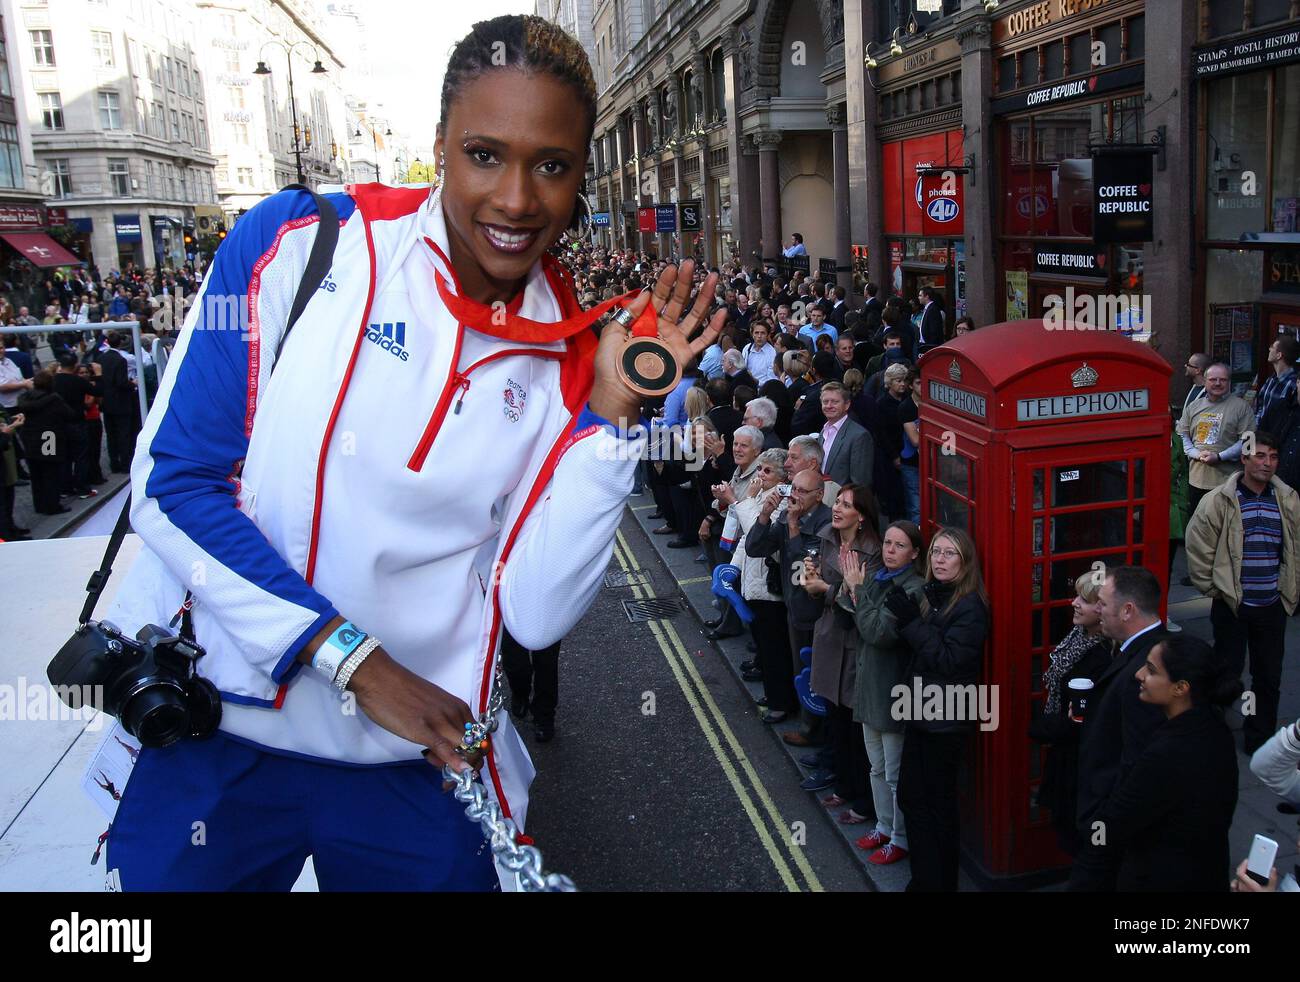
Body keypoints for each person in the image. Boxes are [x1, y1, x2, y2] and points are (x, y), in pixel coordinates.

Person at [102, 14, 723, 892]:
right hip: (219, 736)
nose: (515, 198)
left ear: (584, 172)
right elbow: (175, 486)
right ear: (437, 145)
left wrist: (614, 416)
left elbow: (536, 614)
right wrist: (352, 658)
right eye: (483, 153)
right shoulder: (298, 244)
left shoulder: (575, 358)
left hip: (418, 761)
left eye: (551, 164)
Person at [1091, 635, 1240, 892]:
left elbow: (1115, 822)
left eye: (1150, 670)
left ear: (1180, 688)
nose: (1139, 674)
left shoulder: (1166, 753)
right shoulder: (1216, 729)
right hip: (1207, 873)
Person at [1185, 431, 1300, 754]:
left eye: (1273, 457)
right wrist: (1212, 588)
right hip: (1233, 603)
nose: (1268, 463)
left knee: (1268, 677)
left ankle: (1259, 738)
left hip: (1272, 603)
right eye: (1261, 456)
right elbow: (1199, 545)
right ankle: (1214, 733)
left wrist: (1291, 590)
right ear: (1245, 459)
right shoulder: (1220, 499)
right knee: (1226, 674)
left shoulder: (1287, 497)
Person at [888, 525, 989, 891]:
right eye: (936, 552)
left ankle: (938, 884)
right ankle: (924, 879)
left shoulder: (971, 608)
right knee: (914, 800)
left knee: (936, 807)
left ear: (965, 562)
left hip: (945, 721)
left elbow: (948, 660)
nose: (940, 559)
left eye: (949, 553)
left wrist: (913, 623)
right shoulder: (937, 595)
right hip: (922, 713)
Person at [1070, 566, 1168, 891]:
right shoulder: (1139, 649)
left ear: (1127, 610)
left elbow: (1137, 759)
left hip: (1110, 823)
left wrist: (1103, 820)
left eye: (1103, 603)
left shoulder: (1149, 670)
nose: (1097, 609)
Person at [842, 520, 925, 864]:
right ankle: (884, 826)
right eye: (888, 543)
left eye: (899, 545)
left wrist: (858, 593)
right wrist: (855, 593)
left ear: (915, 552)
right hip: (869, 686)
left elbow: (877, 631)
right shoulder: (879, 578)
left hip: (892, 694)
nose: (890, 551)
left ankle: (901, 839)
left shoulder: (913, 589)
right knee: (875, 768)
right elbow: (854, 614)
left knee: (894, 774)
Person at [801, 483, 881, 812]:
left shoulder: (873, 550)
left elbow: (867, 597)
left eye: (846, 505)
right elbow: (819, 581)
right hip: (830, 636)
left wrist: (825, 588)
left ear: (860, 516)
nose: (837, 509)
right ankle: (841, 783)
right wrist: (811, 580)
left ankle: (861, 796)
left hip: (855, 641)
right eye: (838, 502)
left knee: (853, 725)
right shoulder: (828, 537)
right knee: (835, 716)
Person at [1027, 572, 1112, 856]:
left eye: (1084, 600)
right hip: (1062, 756)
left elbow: (1082, 722)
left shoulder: (1102, 656)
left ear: (1103, 610)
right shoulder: (1078, 635)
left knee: (1077, 840)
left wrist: (1039, 729)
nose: (1074, 603)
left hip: (1079, 763)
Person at [725, 449, 797, 721]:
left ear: (781, 476)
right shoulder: (763, 495)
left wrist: (740, 500)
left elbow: (757, 531)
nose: (760, 475)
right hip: (753, 580)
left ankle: (781, 702)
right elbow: (746, 540)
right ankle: (773, 693)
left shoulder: (779, 498)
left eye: (767, 471)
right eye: (760, 469)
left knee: (774, 647)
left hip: (769, 586)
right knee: (764, 646)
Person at [1178, 362, 1252, 517]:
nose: (1218, 383)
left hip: (1228, 482)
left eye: (1223, 380)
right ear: (1205, 381)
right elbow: (1183, 435)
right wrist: (1196, 454)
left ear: (1229, 382)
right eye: (1213, 379)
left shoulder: (1242, 407)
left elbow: (1248, 443)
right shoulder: (1194, 406)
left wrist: (1219, 457)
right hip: (1196, 480)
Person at [17, 368, 78, 515]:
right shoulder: (54, 399)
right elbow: (70, 415)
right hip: (49, 438)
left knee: (36, 474)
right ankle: (52, 505)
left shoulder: (25, 398)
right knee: (50, 474)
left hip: (30, 439)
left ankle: (39, 504)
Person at [502, 630, 560, 743]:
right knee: (515, 663)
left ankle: (544, 715)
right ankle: (520, 693)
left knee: (547, 661)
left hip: (549, 614)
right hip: (512, 613)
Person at [819, 381, 873, 490]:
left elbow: (860, 483)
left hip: (842, 503)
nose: (829, 406)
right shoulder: (823, 432)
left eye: (834, 402)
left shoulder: (859, 436)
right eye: (825, 402)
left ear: (847, 405)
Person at [1255, 335, 1298, 428]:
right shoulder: (1271, 379)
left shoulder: (1294, 385)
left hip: (1277, 438)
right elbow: (1260, 407)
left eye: (1272, 347)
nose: (1269, 349)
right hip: (1260, 434)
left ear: (1279, 355)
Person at [916, 287, 944, 351]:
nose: (918, 297)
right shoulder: (928, 309)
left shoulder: (932, 309)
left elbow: (934, 331)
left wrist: (930, 347)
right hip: (924, 344)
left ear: (927, 297)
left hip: (929, 346)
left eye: (920, 295)